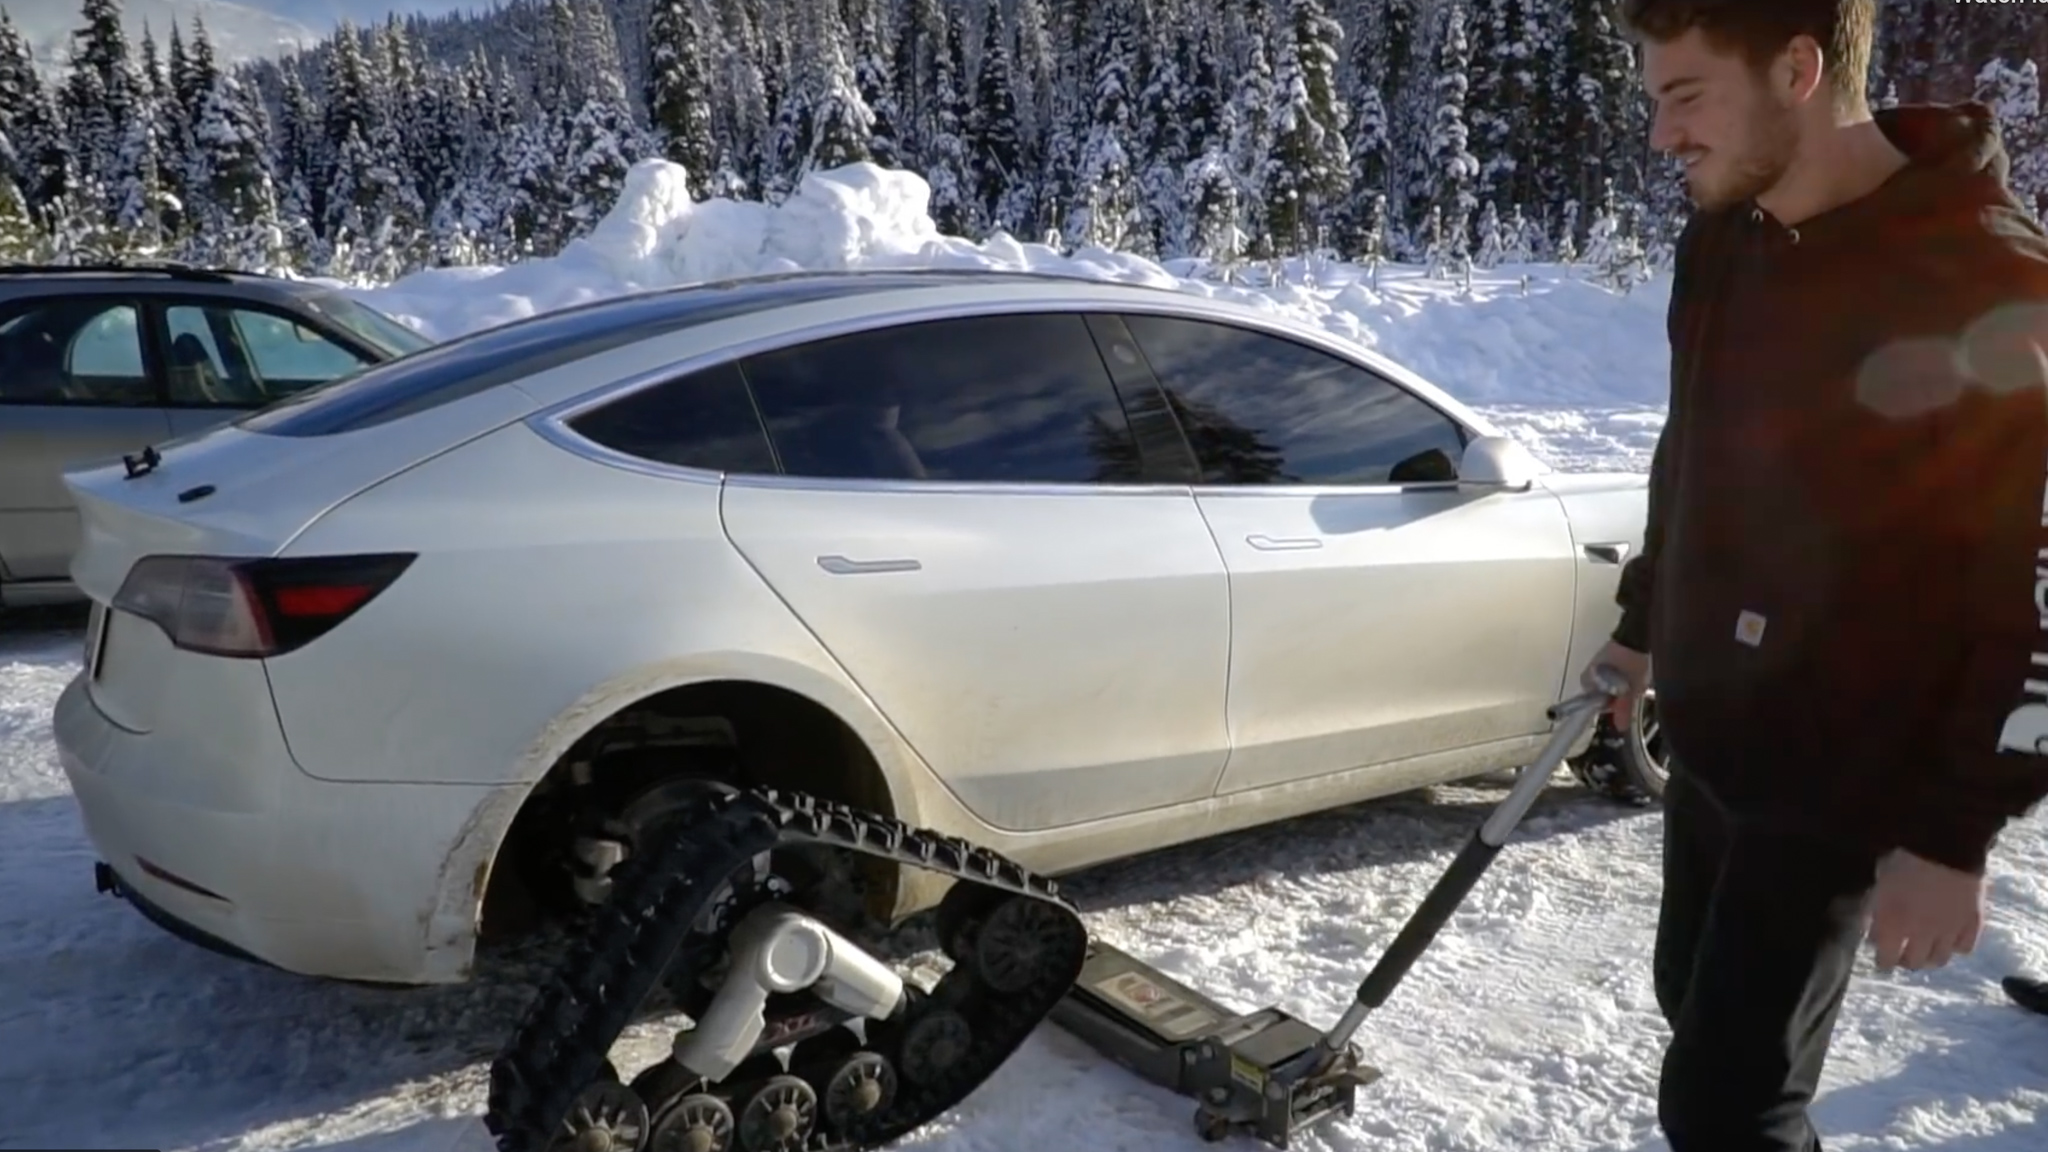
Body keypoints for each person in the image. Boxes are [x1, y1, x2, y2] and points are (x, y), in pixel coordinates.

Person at [1584, 1, 2048, 1148]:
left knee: (1727, 1105)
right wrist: (1644, 626)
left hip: (1845, 761)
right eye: (1653, 99)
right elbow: (1685, 447)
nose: (1659, 137)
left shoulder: (1990, 277)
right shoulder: (1722, 239)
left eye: (1683, 96)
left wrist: (1954, 833)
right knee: (1686, 1006)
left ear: (1797, 66)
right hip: (1712, 730)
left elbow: (2031, 584)